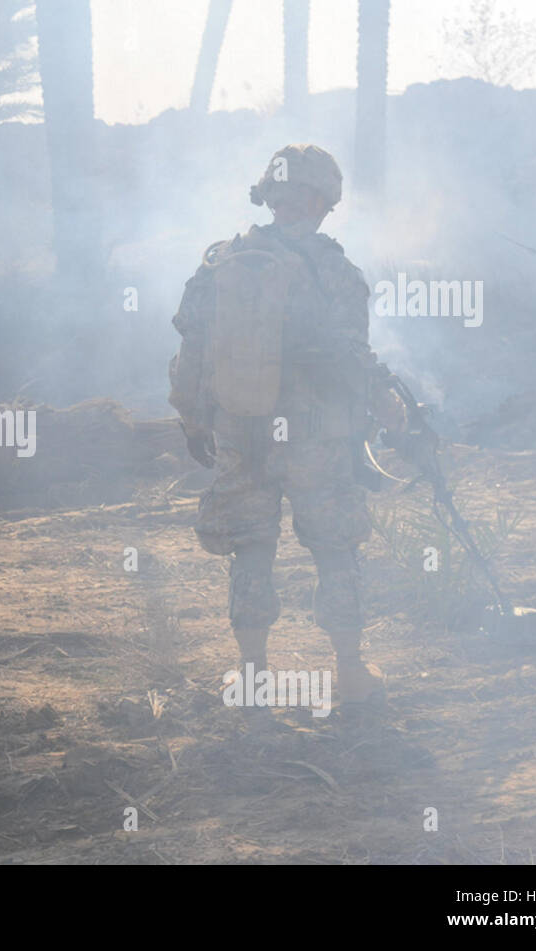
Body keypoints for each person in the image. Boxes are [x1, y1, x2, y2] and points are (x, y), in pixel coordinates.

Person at [168, 144, 408, 706]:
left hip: (241, 428)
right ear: (325, 201)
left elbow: (190, 353)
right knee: (334, 546)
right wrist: (385, 405)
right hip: (315, 437)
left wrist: (194, 421)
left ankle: (253, 678)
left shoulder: (221, 262)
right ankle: (349, 673)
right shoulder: (334, 271)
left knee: (250, 546)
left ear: (269, 196)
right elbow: (352, 355)